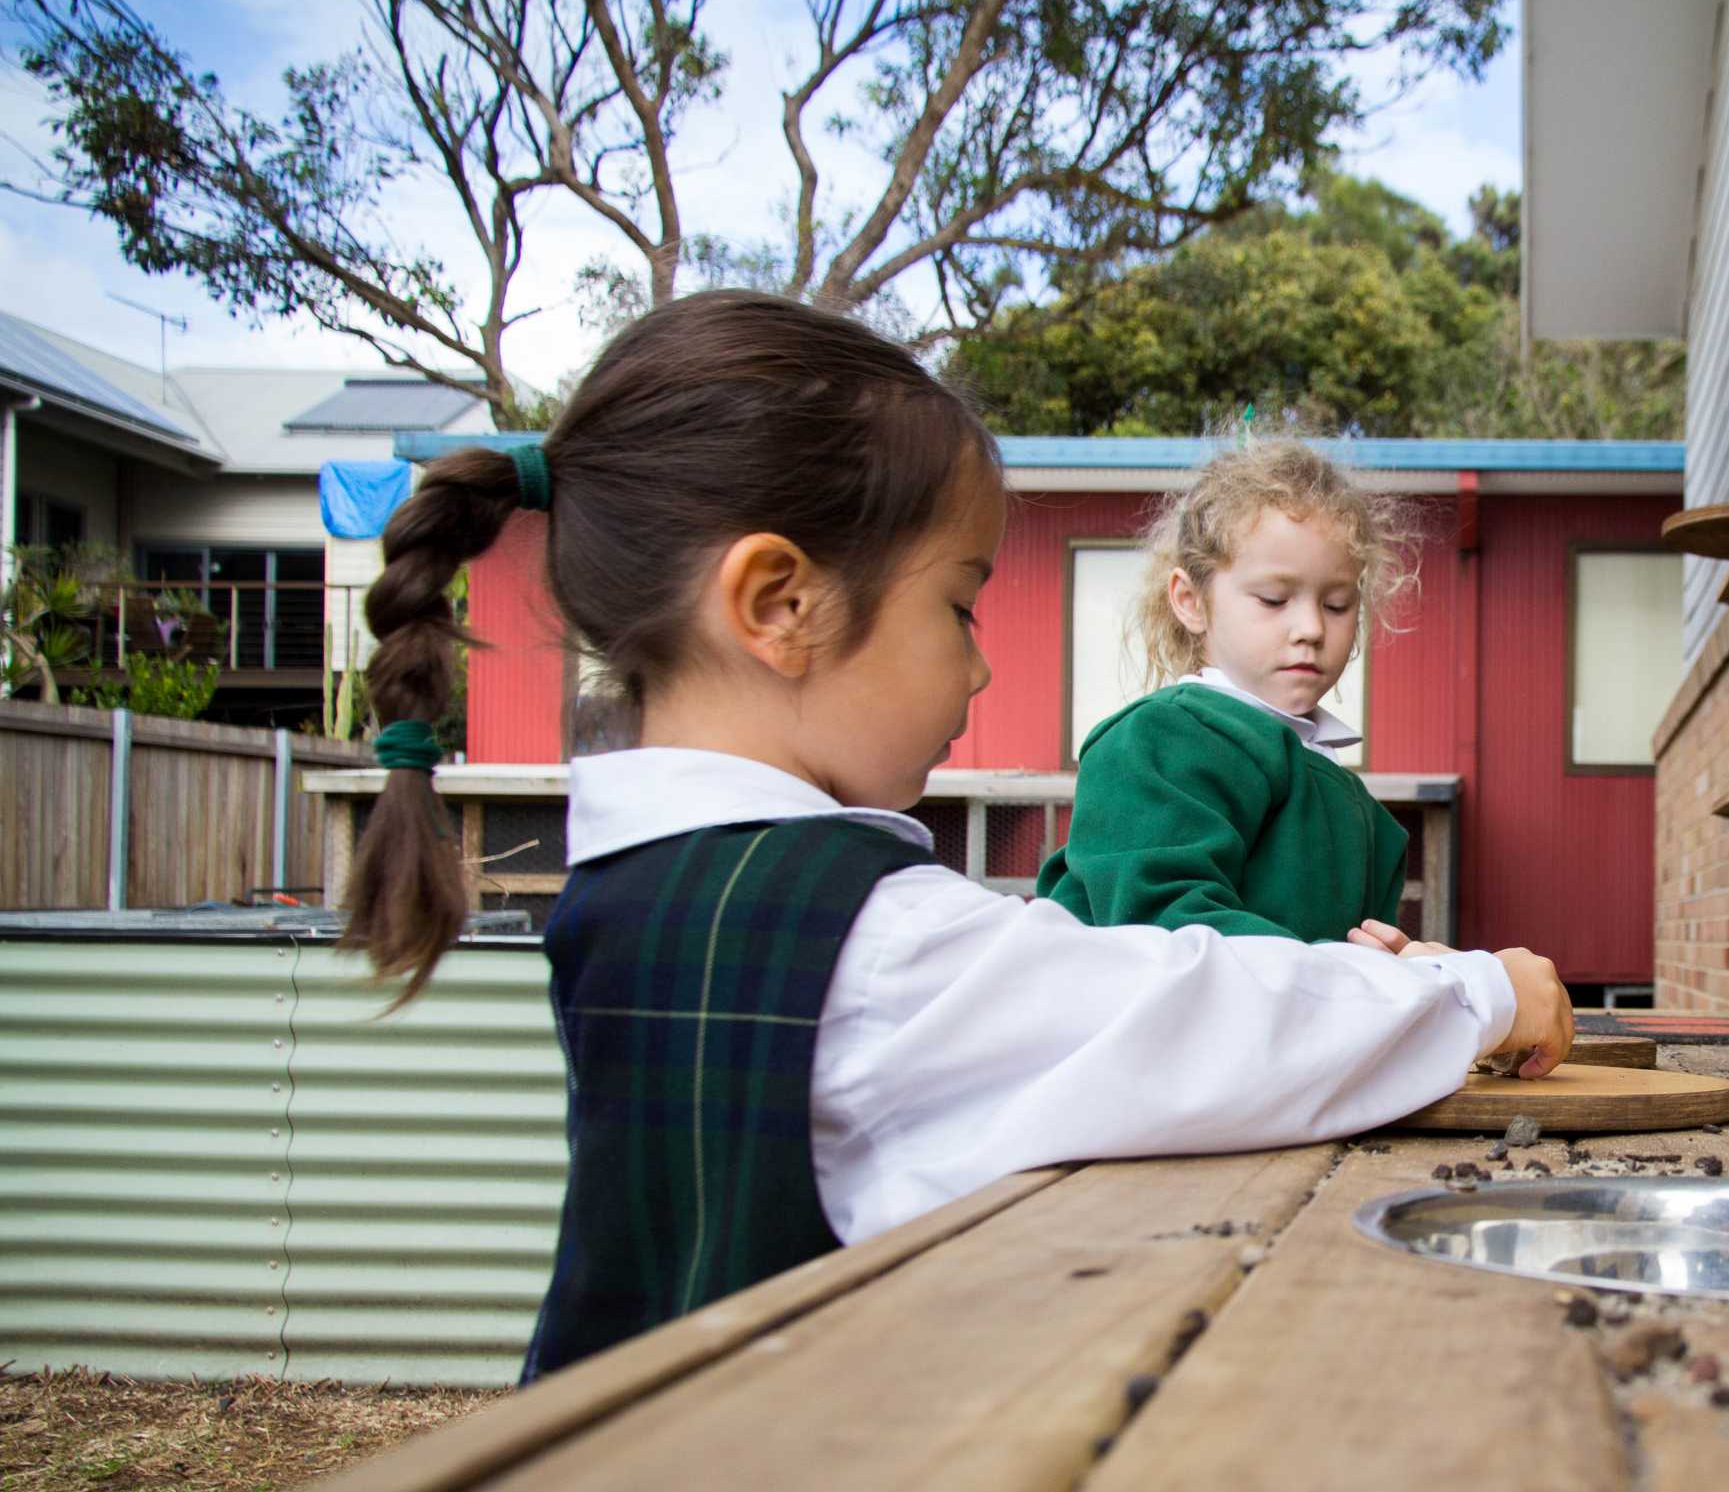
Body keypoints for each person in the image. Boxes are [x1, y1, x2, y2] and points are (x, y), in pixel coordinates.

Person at [343, 292, 1569, 1379]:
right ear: (781, 605)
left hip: (611, 1465)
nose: (981, 664)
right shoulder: (858, 939)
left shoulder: (630, 878)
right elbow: (1185, 1007)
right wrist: (1481, 993)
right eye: (959, 603)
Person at [1035, 439, 1432, 956]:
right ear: (1191, 600)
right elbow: (1162, 935)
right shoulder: (1159, 742)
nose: (1310, 627)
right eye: (1274, 599)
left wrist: (1390, 967)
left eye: (1337, 605)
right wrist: (1348, 980)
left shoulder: (1356, 804)